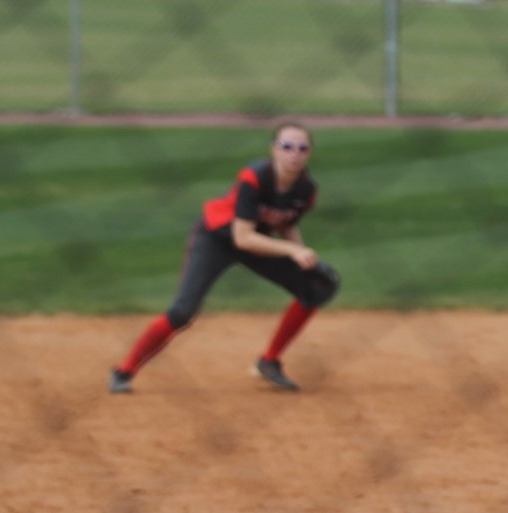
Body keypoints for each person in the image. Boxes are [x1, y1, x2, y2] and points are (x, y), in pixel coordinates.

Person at [109, 121, 339, 395]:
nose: (294, 154)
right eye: (287, 146)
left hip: (258, 244)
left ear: (309, 153)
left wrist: (302, 257)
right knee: (183, 312)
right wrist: (293, 251)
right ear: (273, 150)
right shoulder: (254, 177)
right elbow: (242, 237)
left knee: (315, 286)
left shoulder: (306, 190)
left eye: (302, 148)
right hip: (216, 239)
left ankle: (269, 361)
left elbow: (286, 223)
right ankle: (124, 370)